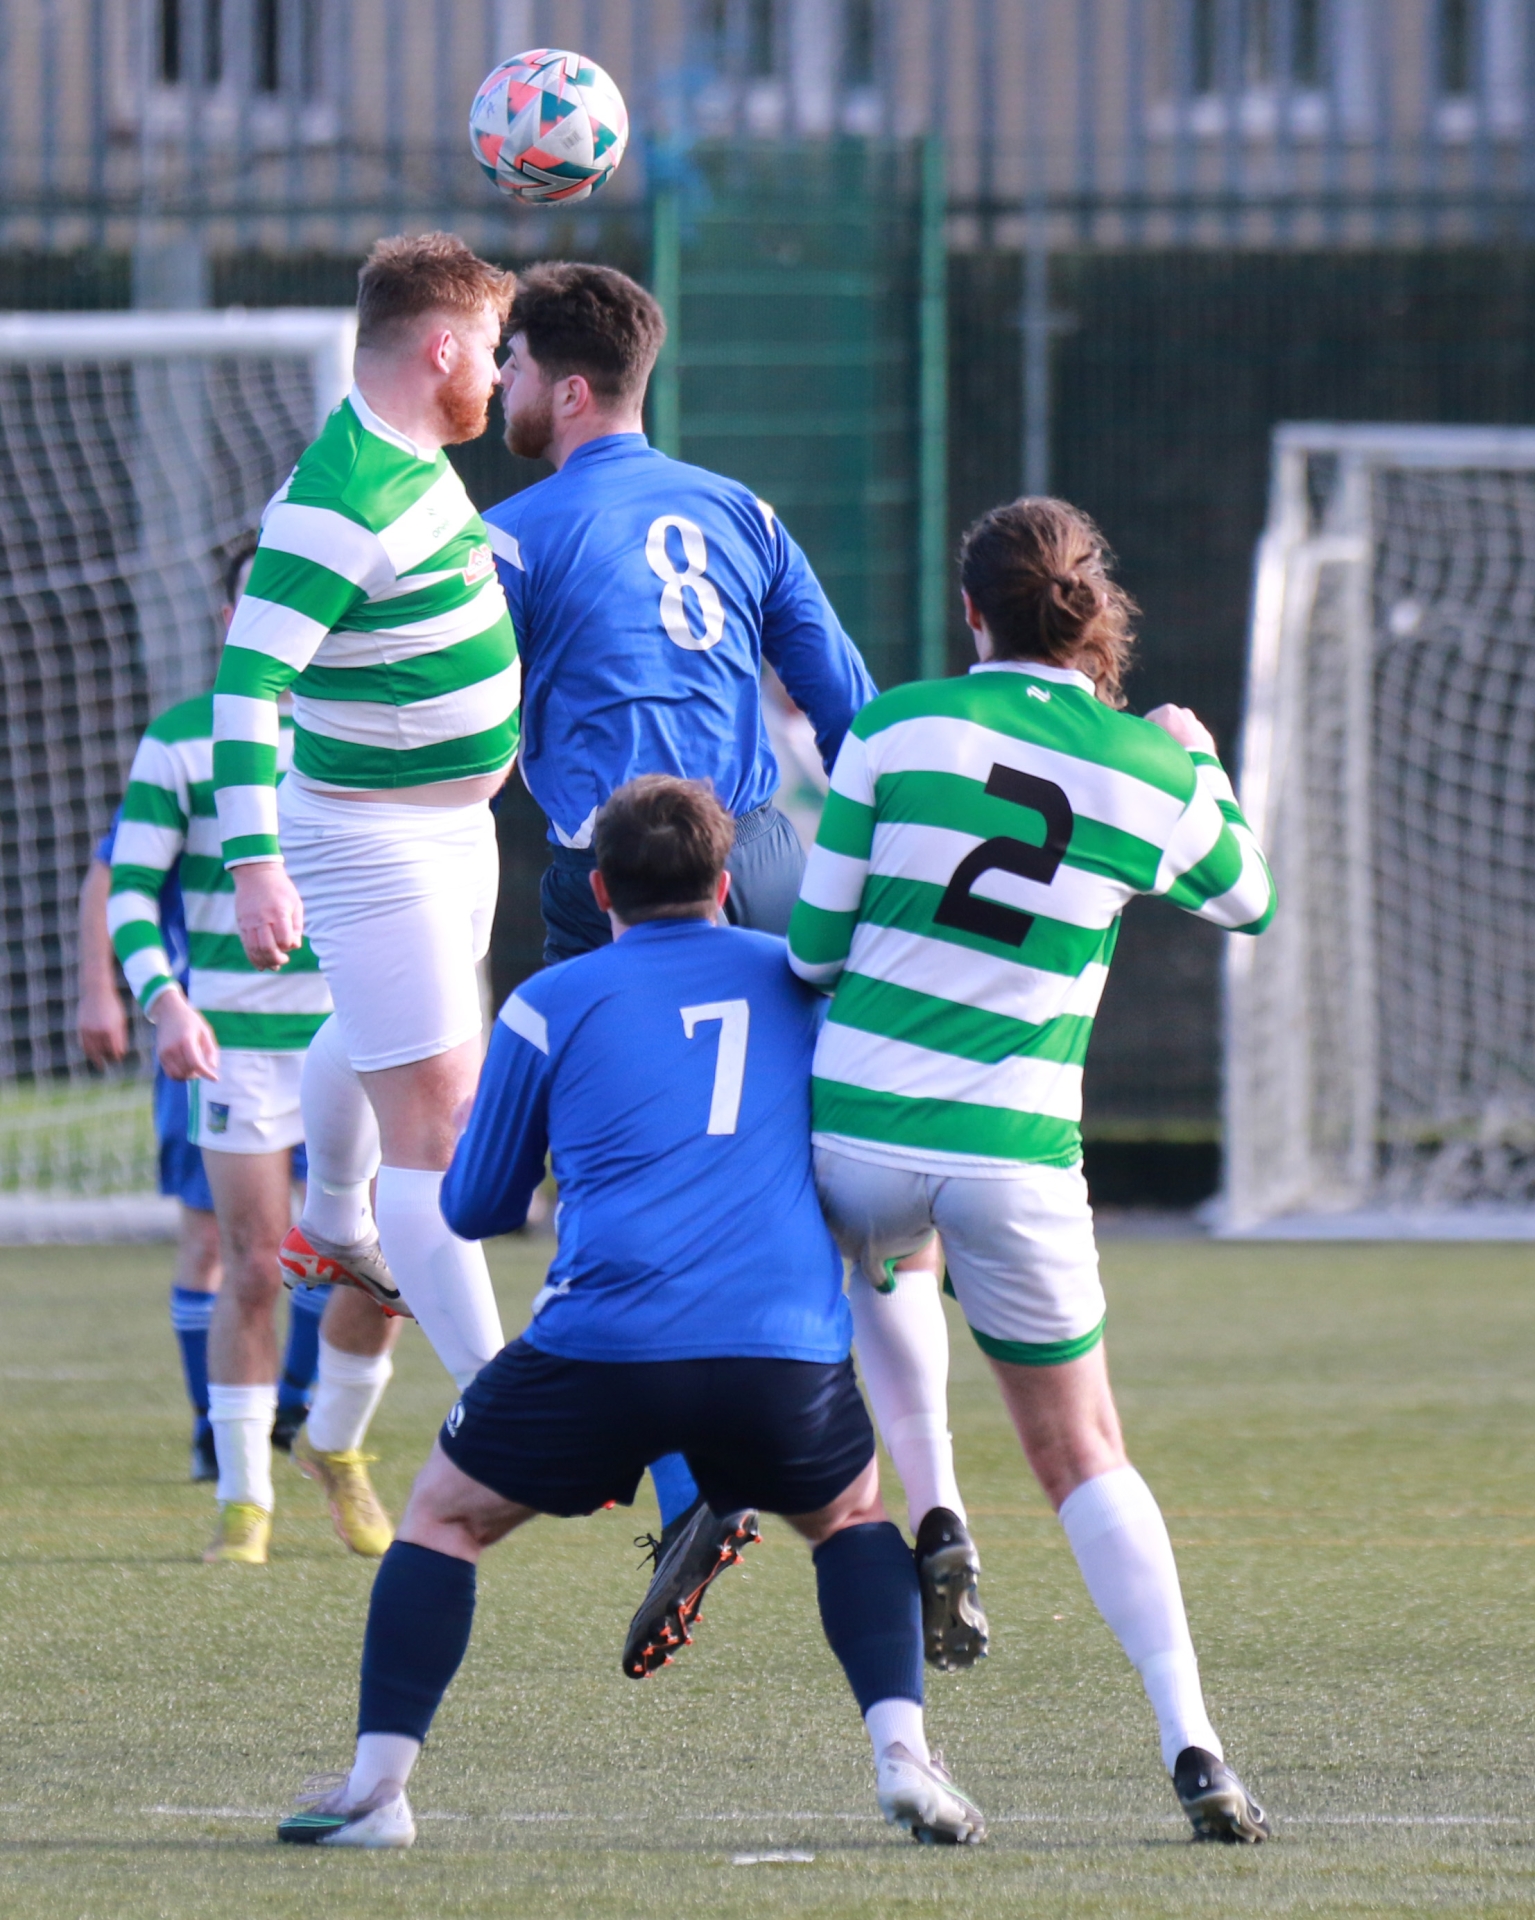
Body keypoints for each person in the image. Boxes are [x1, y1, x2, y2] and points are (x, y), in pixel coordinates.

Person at [275, 777, 984, 1851]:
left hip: (601, 1346)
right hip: (780, 1348)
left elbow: (476, 1208)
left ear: (598, 888)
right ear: (726, 882)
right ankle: (904, 1758)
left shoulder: (548, 1003)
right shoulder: (805, 982)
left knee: (443, 1519)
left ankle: (377, 1793)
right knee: (849, 1521)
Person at [483, 261, 983, 1667]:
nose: (499, 386)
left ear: (565, 386)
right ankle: (930, 1502)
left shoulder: (508, 537)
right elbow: (851, 712)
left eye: (509, 364)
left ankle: (690, 1493)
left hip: (618, 886)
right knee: (840, 1189)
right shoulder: (740, 510)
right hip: (765, 859)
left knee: (628, 1185)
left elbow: (458, 732)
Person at [788, 496, 1276, 1843]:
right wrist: (1198, 761)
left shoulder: (895, 729)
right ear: (1090, 615)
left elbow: (813, 951)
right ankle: (1191, 1743)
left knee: (885, 1258)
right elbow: (1249, 899)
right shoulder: (1148, 768)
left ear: (970, 615)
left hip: (859, 1132)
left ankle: (937, 1506)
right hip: (1013, 1151)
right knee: (1080, 1450)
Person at [212, 232, 520, 1398]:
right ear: (440, 347)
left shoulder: (408, 454)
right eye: (489, 348)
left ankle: (336, 1219)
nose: (498, 372)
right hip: (373, 842)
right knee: (440, 1133)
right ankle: (510, 1415)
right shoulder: (337, 499)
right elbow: (245, 685)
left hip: (446, 829)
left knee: (383, 1038)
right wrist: (254, 866)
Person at [111, 538, 400, 1566]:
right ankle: (244, 1502)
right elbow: (129, 893)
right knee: (250, 1266)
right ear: (232, 621)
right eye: (257, 601)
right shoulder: (180, 742)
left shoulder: (360, 729)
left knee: (377, 1262)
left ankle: (337, 1446)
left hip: (354, 1035)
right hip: (233, 1046)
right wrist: (165, 1005)